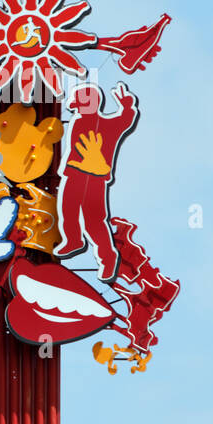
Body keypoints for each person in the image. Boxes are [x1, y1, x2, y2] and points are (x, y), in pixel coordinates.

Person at [54, 82, 139, 282]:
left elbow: (126, 120)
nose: (74, 104)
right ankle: (73, 240)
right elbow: (124, 120)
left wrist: (127, 106)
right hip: (75, 174)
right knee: (68, 209)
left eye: (79, 100)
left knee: (94, 222)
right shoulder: (79, 120)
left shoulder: (106, 124)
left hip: (94, 180)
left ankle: (107, 257)